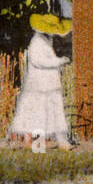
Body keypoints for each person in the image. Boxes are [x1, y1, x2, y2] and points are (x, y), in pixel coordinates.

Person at [10, 13, 74, 151]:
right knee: (39, 114)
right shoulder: (37, 42)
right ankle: (38, 145)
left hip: (49, 83)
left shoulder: (47, 40)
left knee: (56, 113)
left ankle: (62, 142)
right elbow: (39, 61)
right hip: (39, 84)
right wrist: (59, 61)